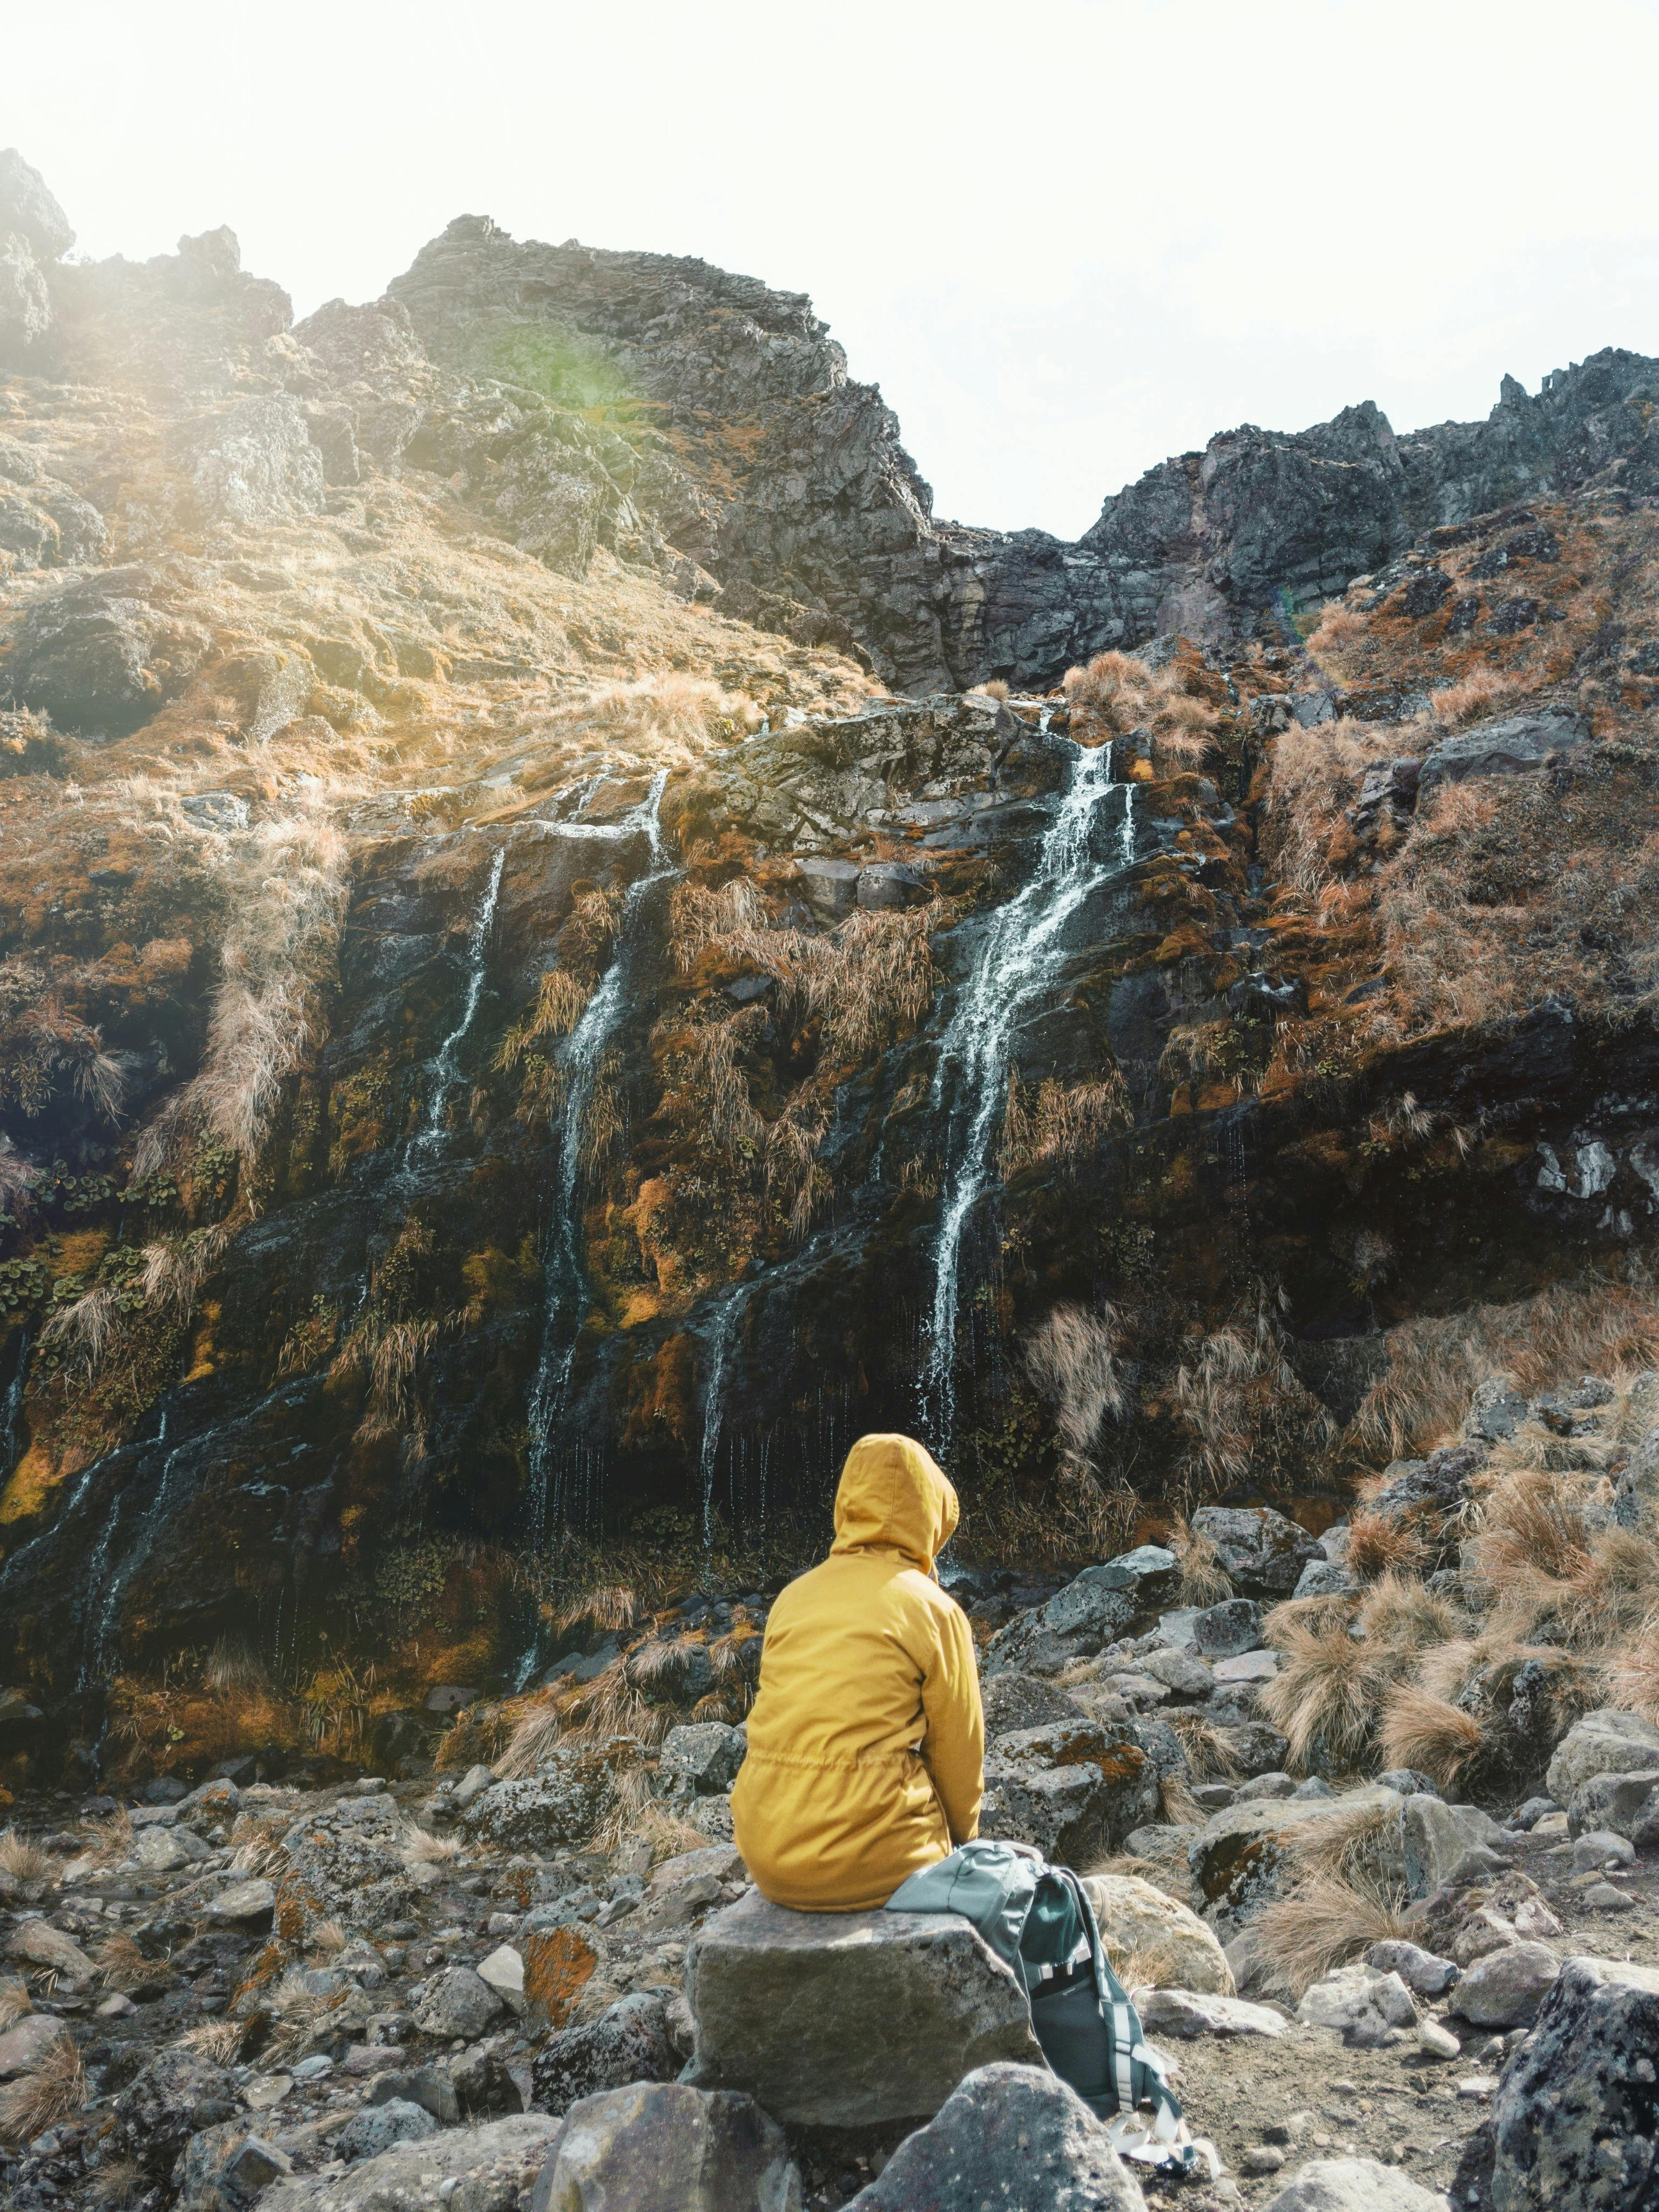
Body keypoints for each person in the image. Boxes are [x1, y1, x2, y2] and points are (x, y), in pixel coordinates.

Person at [732, 1431, 983, 1911]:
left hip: (766, 1853)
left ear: (846, 1504)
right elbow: (958, 1751)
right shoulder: (935, 1610)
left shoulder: (792, 1599)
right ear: (930, 1515)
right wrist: (962, 1841)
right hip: (876, 1863)